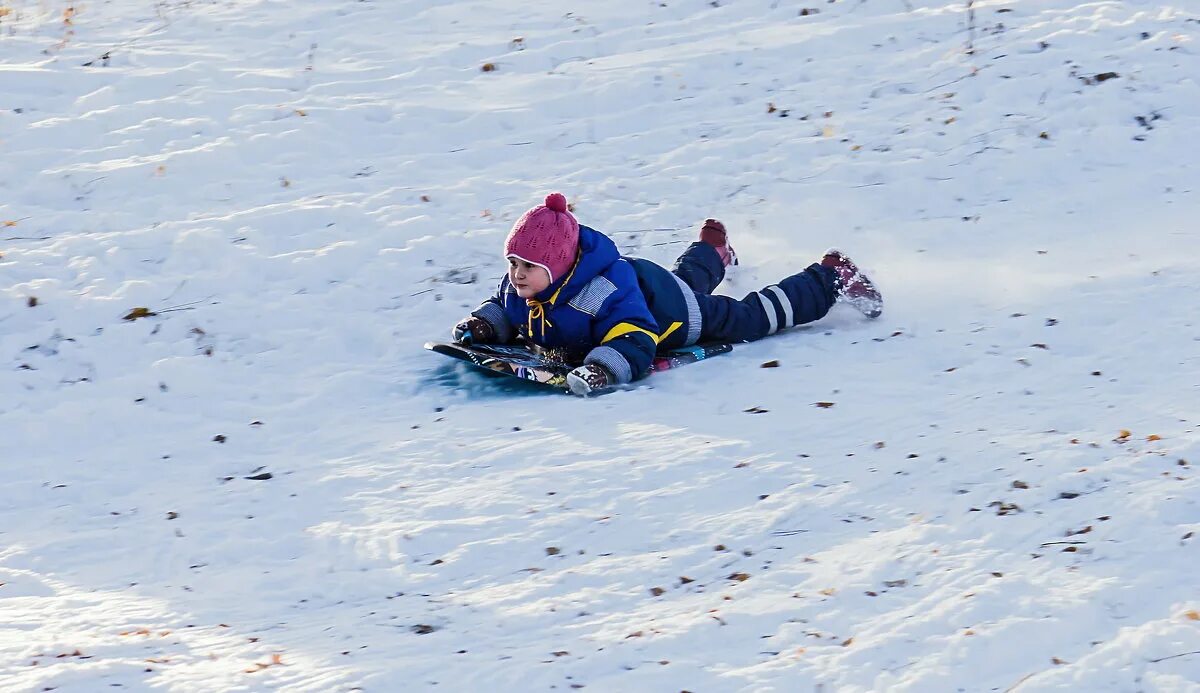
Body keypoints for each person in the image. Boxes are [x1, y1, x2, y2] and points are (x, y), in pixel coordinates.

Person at [451, 192, 882, 395]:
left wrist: (604, 369)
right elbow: (505, 308)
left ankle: (829, 279)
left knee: (751, 317)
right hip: (648, 285)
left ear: (559, 268)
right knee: (686, 277)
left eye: (528, 266)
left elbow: (635, 339)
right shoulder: (523, 284)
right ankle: (712, 249)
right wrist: (485, 324)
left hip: (672, 315)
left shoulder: (600, 292)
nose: (517, 275)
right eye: (513, 262)